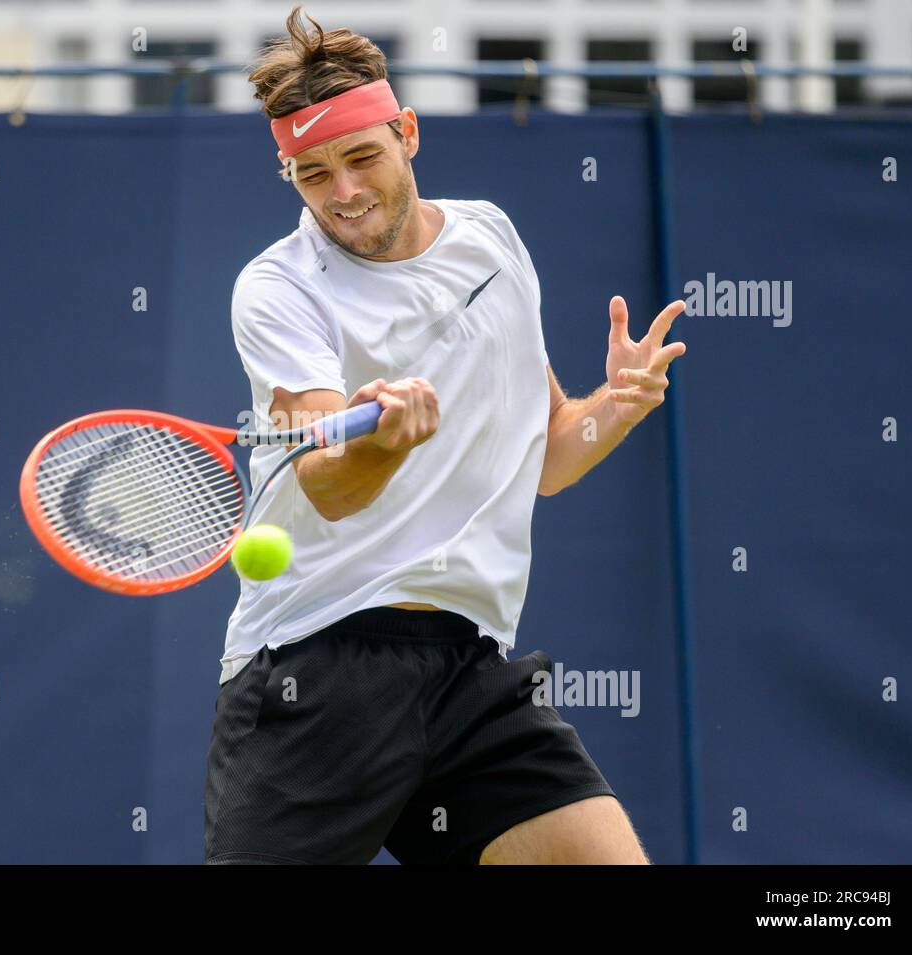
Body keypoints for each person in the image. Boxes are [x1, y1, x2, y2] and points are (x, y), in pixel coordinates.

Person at [204, 6, 686, 865]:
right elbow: (326, 483)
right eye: (313, 174)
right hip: (317, 665)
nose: (344, 194)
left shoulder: (491, 240)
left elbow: (551, 455)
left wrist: (619, 401)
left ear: (408, 133)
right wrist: (386, 446)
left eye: (361, 158)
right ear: (289, 173)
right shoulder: (276, 291)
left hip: (472, 665)